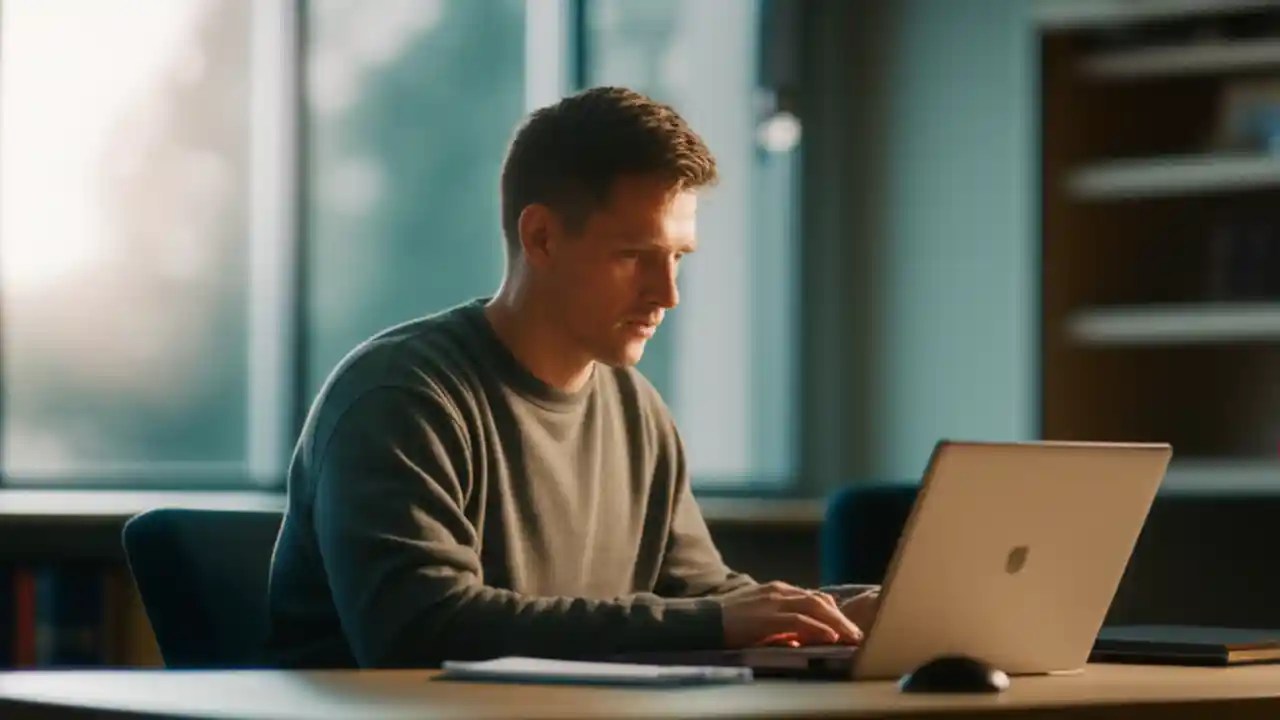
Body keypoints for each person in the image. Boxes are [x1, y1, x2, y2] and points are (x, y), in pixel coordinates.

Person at [266, 86, 879, 669]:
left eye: (677, 258)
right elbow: (422, 631)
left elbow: (702, 598)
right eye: (634, 256)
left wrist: (841, 613)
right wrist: (717, 620)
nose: (667, 294)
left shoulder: (637, 411)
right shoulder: (400, 398)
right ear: (541, 238)